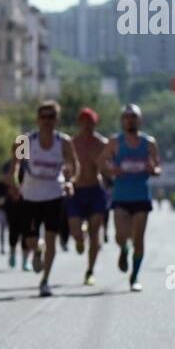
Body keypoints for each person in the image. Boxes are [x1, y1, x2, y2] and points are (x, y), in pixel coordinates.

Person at [9, 101, 79, 297]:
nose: (47, 121)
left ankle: (45, 280)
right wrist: (14, 184)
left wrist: (71, 181)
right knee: (30, 240)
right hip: (30, 196)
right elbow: (15, 165)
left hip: (54, 195)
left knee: (52, 238)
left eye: (51, 117)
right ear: (37, 119)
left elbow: (74, 164)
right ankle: (37, 250)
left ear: (57, 120)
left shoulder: (63, 142)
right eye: (43, 117)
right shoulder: (26, 141)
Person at [99, 104, 161, 291]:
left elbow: (157, 168)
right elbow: (102, 162)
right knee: (120, 235)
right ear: (122, 121)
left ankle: (134, 277)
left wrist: (153, 170)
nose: (130, 120)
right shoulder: (115, 142)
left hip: (141, 196)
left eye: (133, 117)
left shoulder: (148, 143)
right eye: (126, 117)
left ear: (140, 120)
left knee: (139, 238)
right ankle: (123, 250)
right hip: (121, 196)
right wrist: (111, 170)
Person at [67, 108, 109, 286]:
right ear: (79, 123)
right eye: (84, 122)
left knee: (95, 233)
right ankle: (79, 237)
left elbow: (108, 168)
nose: (87, 125)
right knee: (76, 232)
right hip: (76, 191)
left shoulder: (102, 144)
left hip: (95, 190)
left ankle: (90, 271)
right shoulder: (72, 143)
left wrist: (101, 164)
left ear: (95, 123)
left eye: (90, 122)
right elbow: (64, 164)